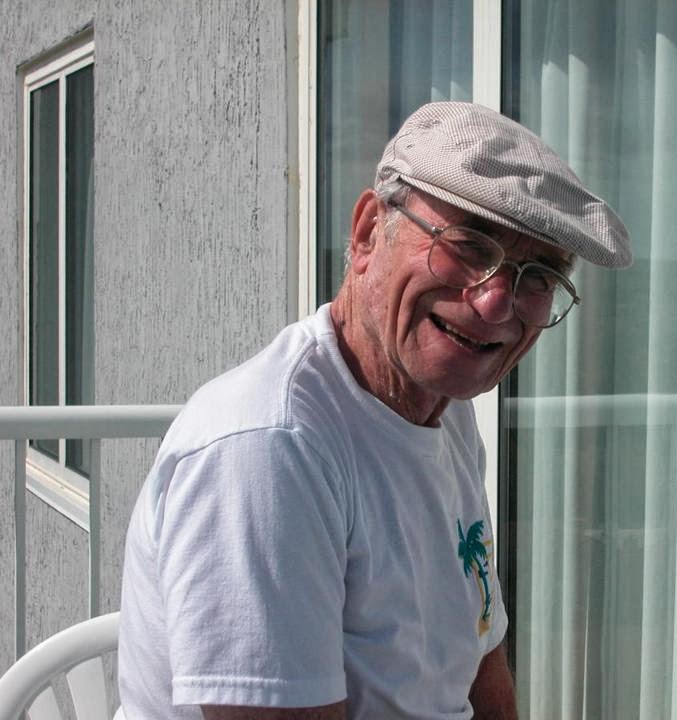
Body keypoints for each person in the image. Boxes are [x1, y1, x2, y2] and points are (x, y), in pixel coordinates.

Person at [117, 101, 632, 719]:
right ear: (367, 233)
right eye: (468, 245)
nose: (497, 303)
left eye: (536, 276)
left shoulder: (445, 407)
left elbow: (478, 654)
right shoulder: (269, 446)